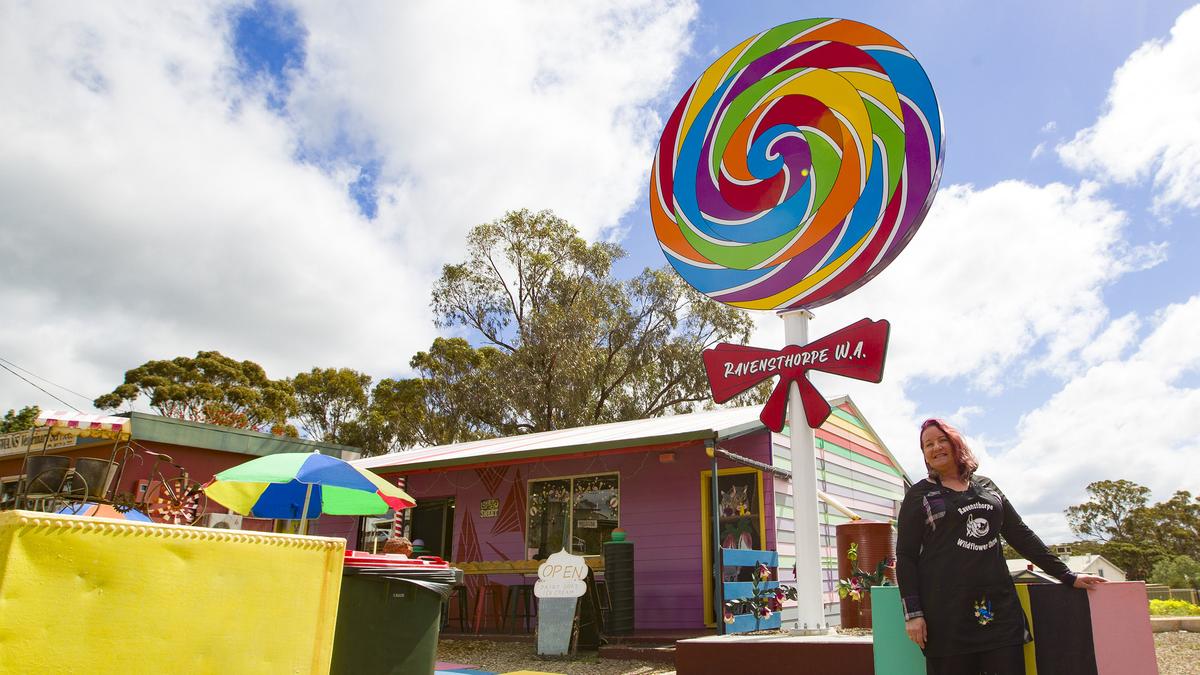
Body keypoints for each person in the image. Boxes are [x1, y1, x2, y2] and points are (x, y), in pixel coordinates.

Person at [896, 418, 1106, 675]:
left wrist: (1065, 574)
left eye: (942, 440)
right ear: (924, 455)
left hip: (999, 610)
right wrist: (913, 613)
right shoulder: (919, 495)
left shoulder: (987, 487)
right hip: (946, 616)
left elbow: (1020, 534)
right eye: (928, 445)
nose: (936, 447)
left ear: (956, 444)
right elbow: (905, 557)